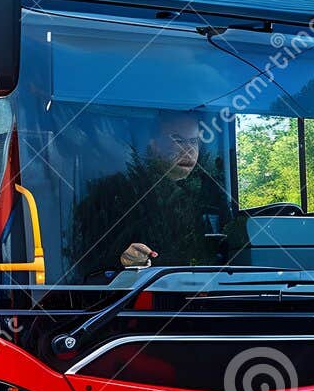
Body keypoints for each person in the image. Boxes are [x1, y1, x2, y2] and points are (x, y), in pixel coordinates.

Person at [66, 110, 234, 281]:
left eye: (193, 141)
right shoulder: (120, 192)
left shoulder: (213, 194)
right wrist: (122, 258)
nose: (189, 150)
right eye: (178, 140)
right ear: (153, 144)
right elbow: (86, 259)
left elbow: (232, 251)